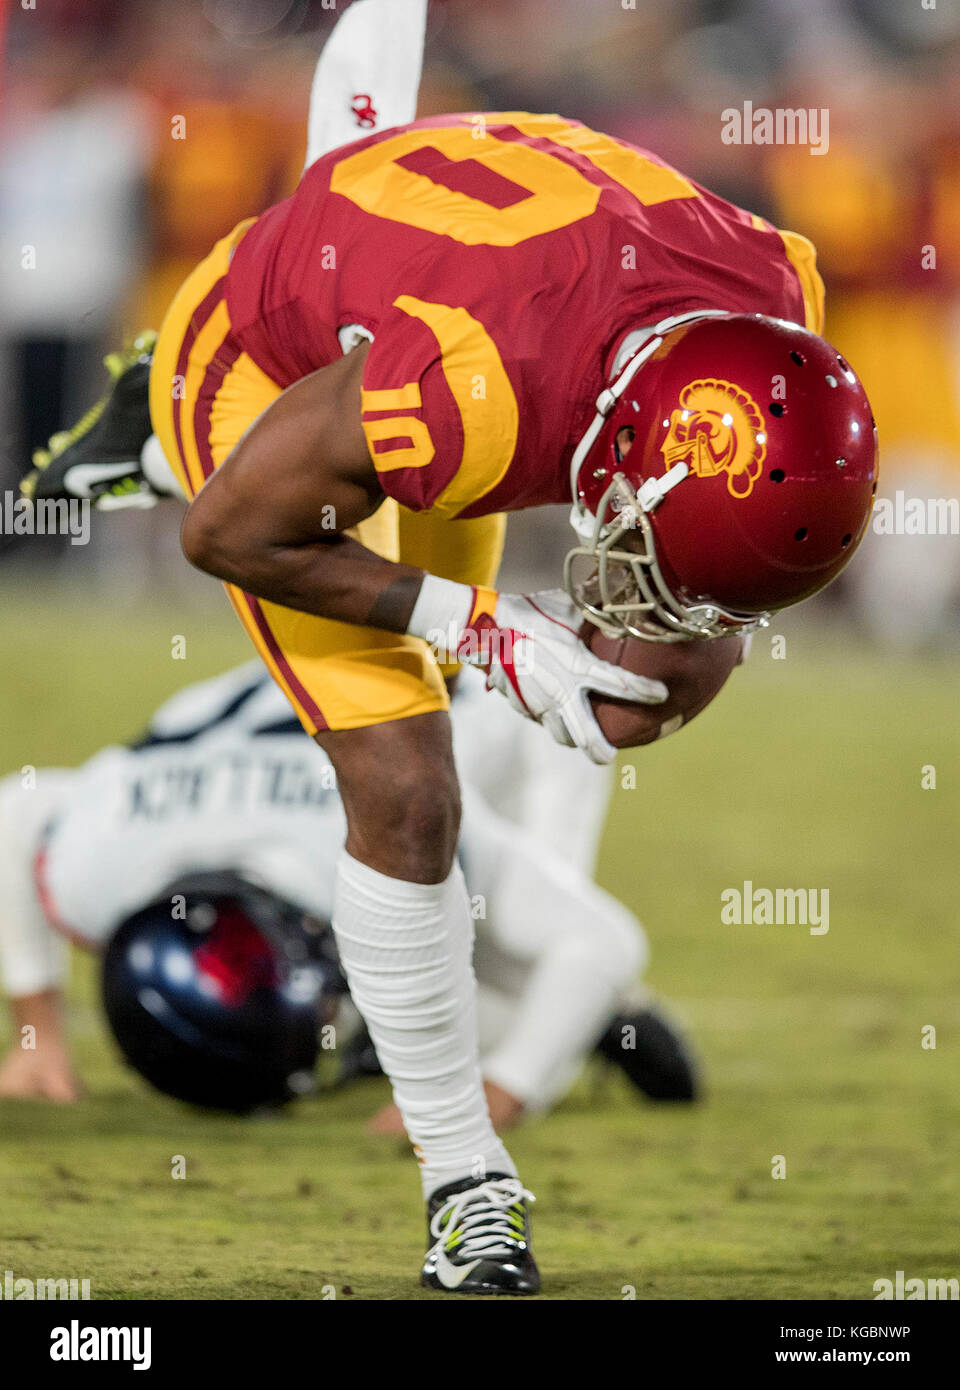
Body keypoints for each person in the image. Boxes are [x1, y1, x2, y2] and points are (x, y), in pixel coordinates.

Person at [21, 1, 877, 1296]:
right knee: (410, 792)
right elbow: (232, 534)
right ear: (621, 458)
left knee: (650, 682)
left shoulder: (780, 307)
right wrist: (484, 639)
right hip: (281, 363)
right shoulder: (473, 394)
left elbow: (706, 586)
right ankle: (466, 1185)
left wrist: (706, 611)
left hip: (448, 254)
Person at [0, 664, 697, 1120]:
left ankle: (605, 1021)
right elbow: (15, 806)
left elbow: (602, 939)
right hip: (322, 711)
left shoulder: (389, 829)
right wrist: (37, 1030)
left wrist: (504, 1089)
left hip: (506, 710)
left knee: (502, 975)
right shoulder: (96, 860)